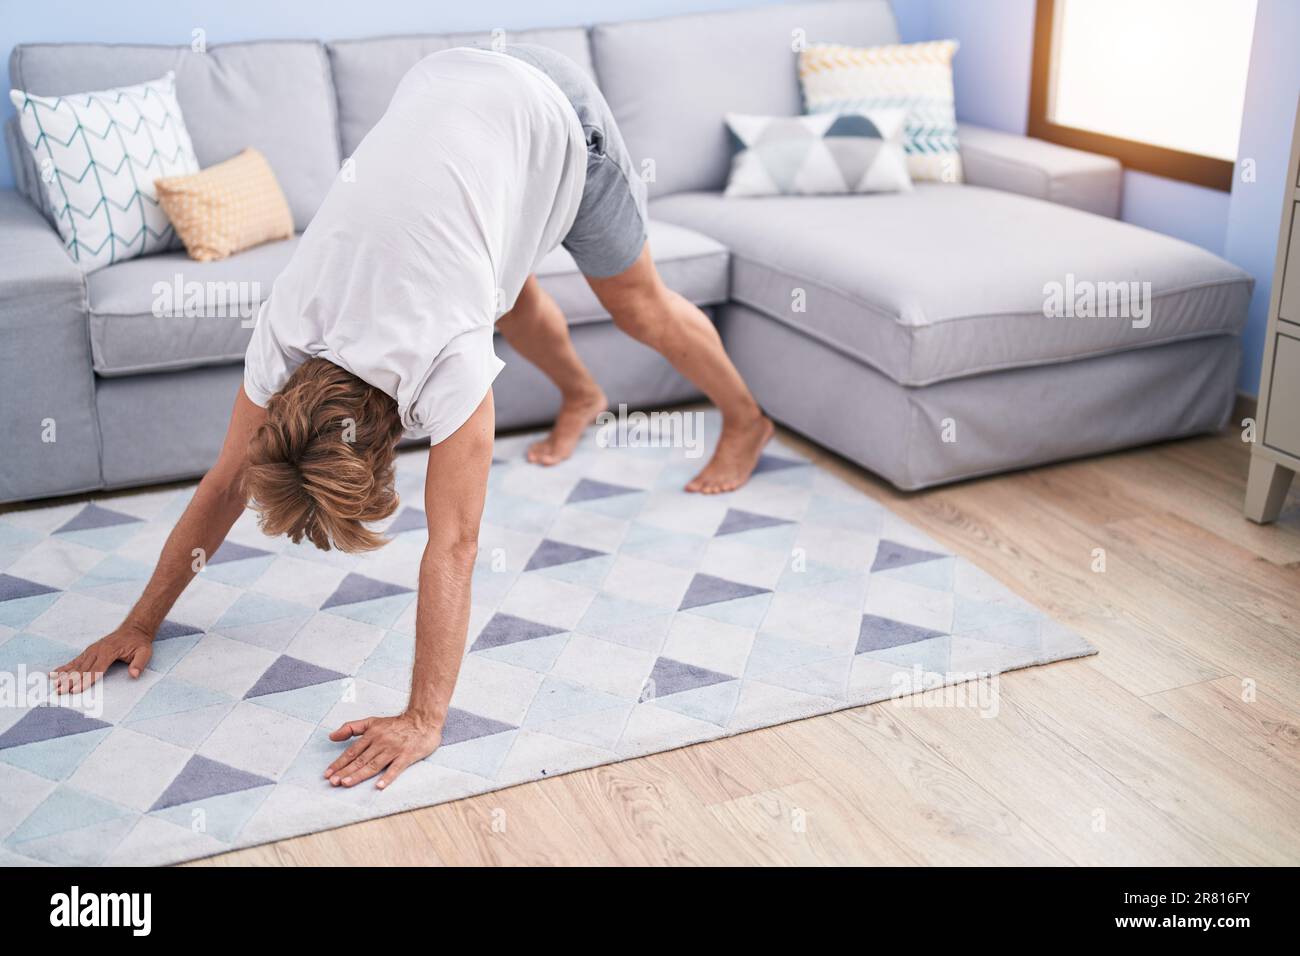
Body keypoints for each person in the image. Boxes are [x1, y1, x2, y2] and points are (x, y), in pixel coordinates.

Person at [51, 44, 772, 790]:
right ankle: (583, 396)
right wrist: (140, 623)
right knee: (505, 289)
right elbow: (226, 485)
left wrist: (425, 718)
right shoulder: (290, 324)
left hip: (554, 111)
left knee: (636, 304)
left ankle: (747, 419)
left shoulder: (446, 357)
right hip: (459, 93)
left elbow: (454, 545)